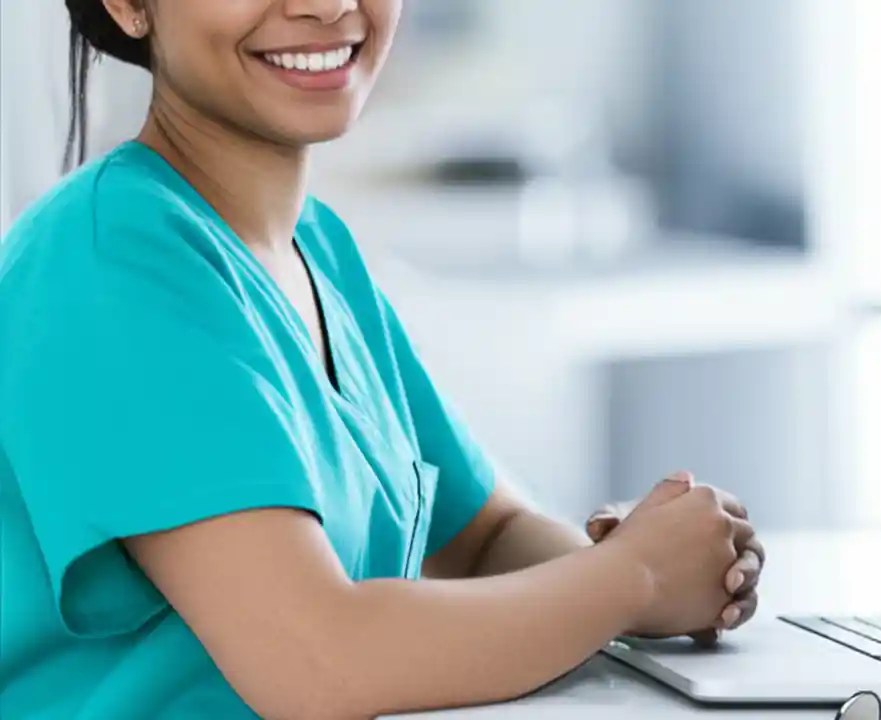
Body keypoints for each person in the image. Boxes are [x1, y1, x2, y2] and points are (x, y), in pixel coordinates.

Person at [0, 1, 765, 718]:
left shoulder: (318, 251)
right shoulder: (113, 256)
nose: (328, 5)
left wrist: (660, 557)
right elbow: (315, 659)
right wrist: (634, 579)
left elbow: (486, 537)